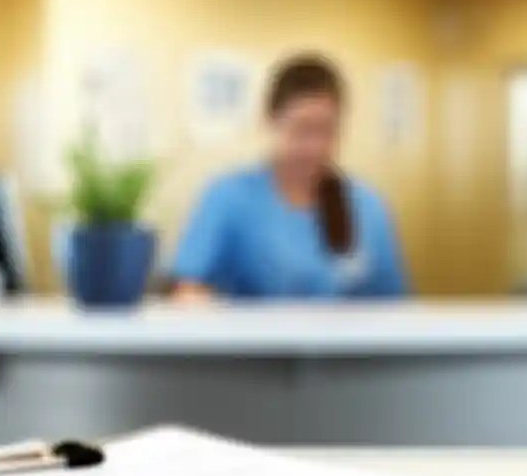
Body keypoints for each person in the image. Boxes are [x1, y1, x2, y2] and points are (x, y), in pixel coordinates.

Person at [171, 54, 408, 301]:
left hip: (344, 340)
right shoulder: (229, 198)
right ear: (270, 121)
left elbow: (393, 303)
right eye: (302, 130)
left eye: (327, 131)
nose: (315, 147)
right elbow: (188, 288)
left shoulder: (366, 206)